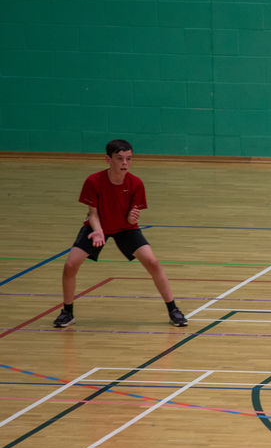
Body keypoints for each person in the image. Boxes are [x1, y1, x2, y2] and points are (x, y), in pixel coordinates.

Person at [54, 139, 187, 328]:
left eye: (128, 159)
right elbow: (93, 214)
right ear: (108, 159)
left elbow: (132, 220)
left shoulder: (136, 183)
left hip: (126, 228)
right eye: (119, 158)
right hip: (97, 227)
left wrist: (132, 219)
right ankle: (67, 312)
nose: (125, 163)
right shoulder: (93, 181)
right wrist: (98, 231)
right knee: (70, 265)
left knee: (153, 263)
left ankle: (173, 310)